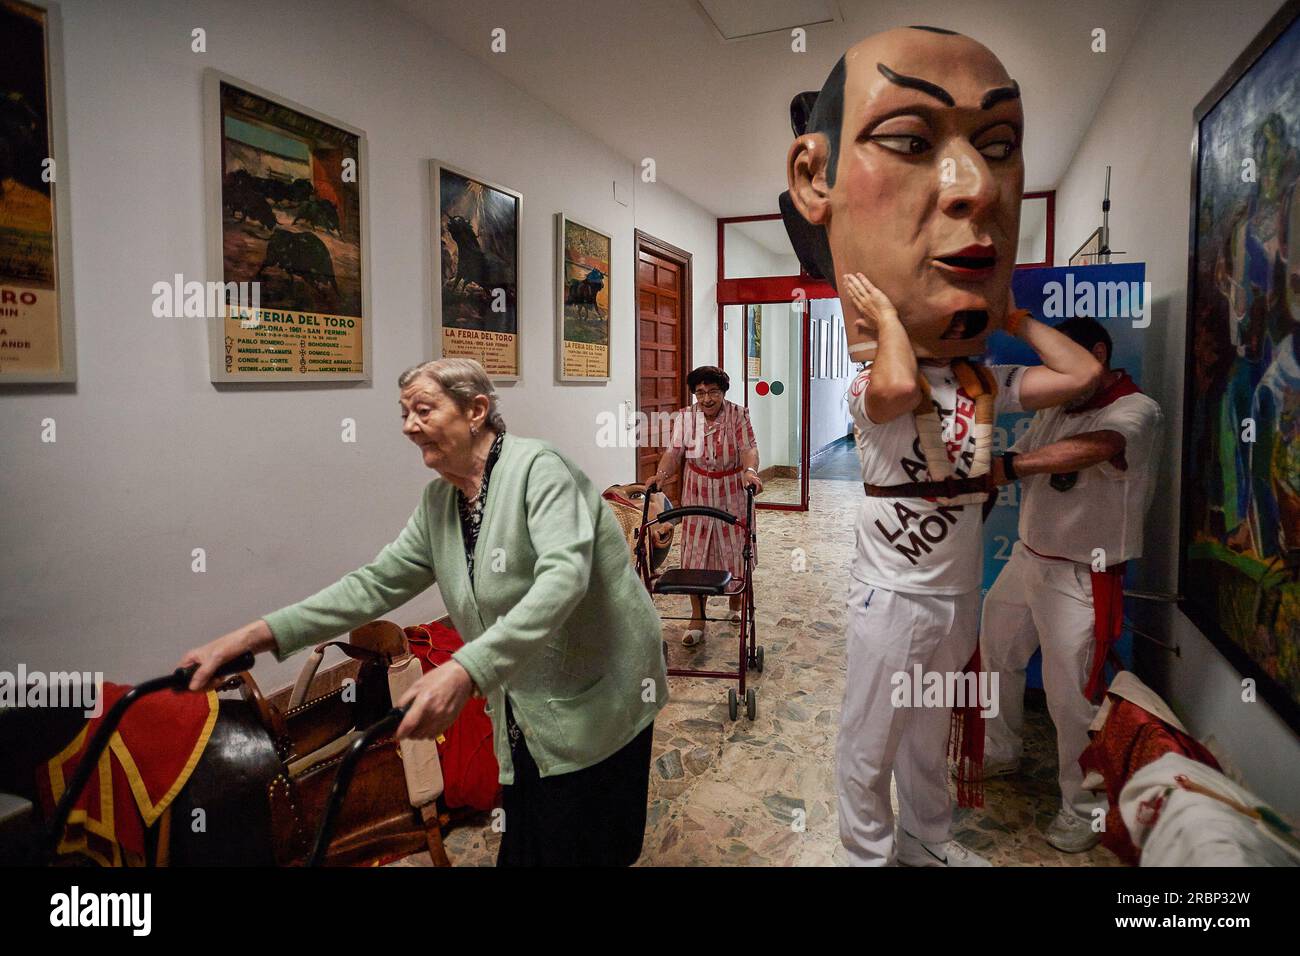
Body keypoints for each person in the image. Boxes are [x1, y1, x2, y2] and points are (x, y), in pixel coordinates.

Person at [782, 26, 1103, 866]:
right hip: (891, 599)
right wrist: (888, 317)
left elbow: (1074, 379)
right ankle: (864, 852)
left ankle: (926, 844)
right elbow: (891, 386)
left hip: (956, 592)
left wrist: (1015, 315)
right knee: (869, 740)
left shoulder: (985, 381)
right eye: (912, 141)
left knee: (929, 734)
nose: (971, 189)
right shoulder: (872, 387)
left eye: (997, 147)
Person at [179, 358, 668, 867]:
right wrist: (257, 635)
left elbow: (563, 578)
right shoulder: (442, 502)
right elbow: (374, 584)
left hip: (601, 686)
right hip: (529, 697)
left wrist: (465, 670)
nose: (410, 426)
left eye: (423, 410)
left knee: (584, 838)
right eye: (404, 413)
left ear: (476, 409)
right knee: (532, 830)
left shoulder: (540, 471)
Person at [980, 317, 1163, 853]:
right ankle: (1000, 750)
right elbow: (1035, 463)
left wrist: (1009, 466)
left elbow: (1099, 446)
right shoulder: (1060, 407)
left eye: (1069, 366)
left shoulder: (1136, 408)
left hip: (1085, 573)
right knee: (996, 650)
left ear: (1098, 355)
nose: (1060, 379)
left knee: (1070, 697)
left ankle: (1084, 808)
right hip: (1028, 559)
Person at [647, 365, 762, 645]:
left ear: (722, 392)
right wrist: (661, 476)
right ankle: (697, 617)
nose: (707, 399)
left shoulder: (738, 414)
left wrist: (750, 472)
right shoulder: (687, 417)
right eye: (700, 393)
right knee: (696, 553)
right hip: (697, 490)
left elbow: (748, 449)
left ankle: (735, 602)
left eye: (712, 392)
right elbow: (674, 452)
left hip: (731, 490)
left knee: (734, 551)